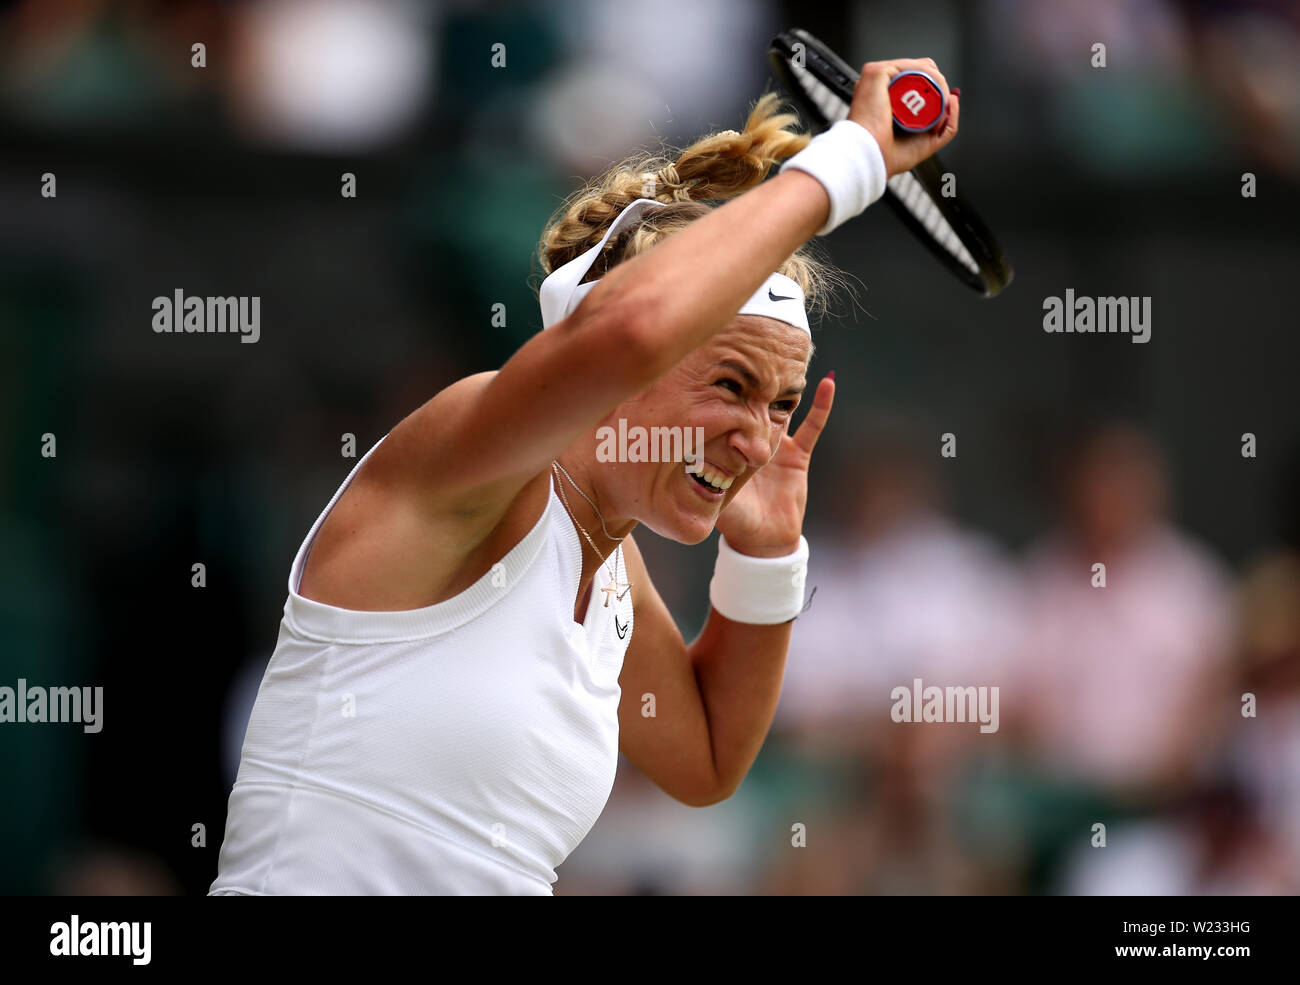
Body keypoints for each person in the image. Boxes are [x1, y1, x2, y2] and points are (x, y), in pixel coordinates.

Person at [209, 59, 961, 895]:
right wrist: (852, 157)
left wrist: (766, 559)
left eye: (780, 403)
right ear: (619, 376)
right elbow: (632, 327)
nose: (757, 439)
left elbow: (706, 761)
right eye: (730, 385)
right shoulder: (474, 451)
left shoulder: (609, 569)